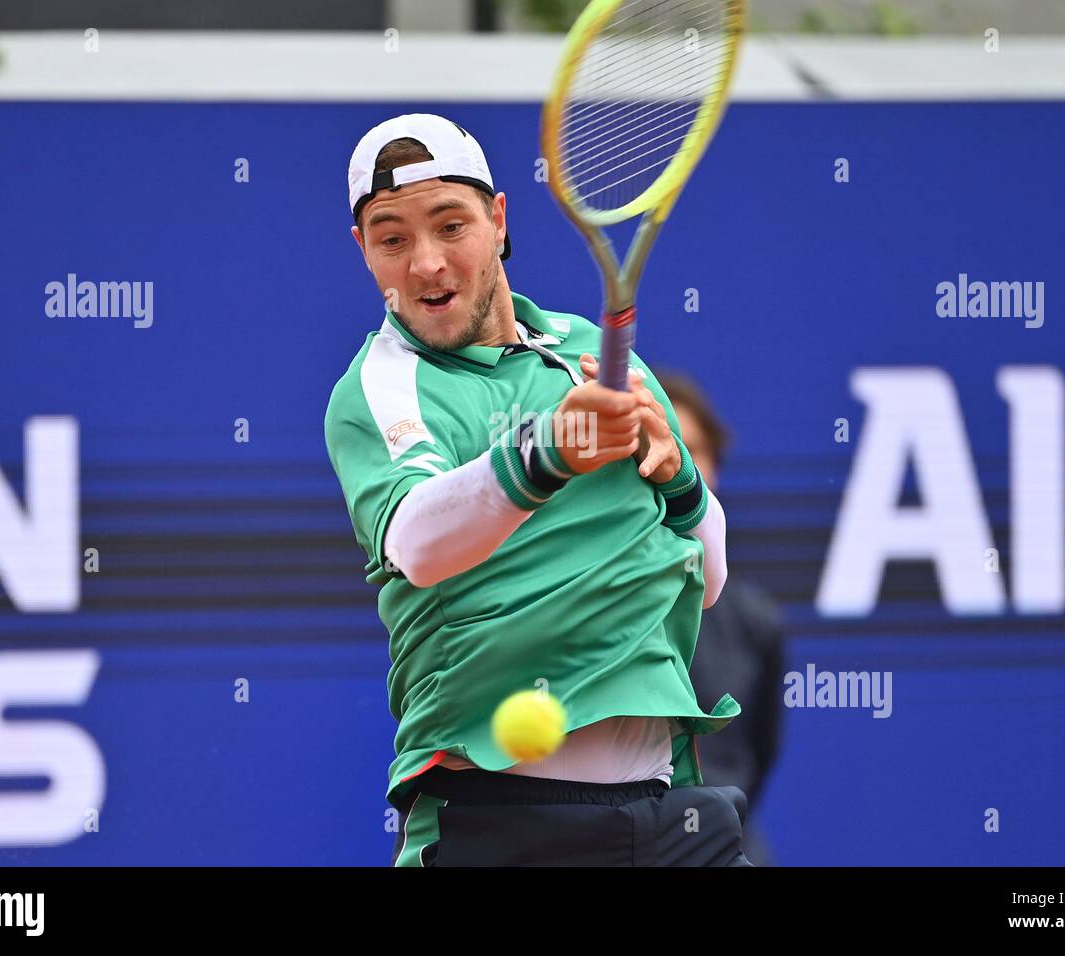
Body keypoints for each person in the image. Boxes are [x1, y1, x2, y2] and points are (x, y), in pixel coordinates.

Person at [324, 113, 752, 866]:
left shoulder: (593, 355)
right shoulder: (380, 387)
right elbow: (419, 543)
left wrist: (680, 477)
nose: (425, 263)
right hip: (497, 826)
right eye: (392, 238)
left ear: (497, 221)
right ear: (364, 254)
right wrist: (548, 450)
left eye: (450, 226)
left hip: (669, 818)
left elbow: (710, 579)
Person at [656, 372, 787, 866]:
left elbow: (761, 751)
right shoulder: (581, 599)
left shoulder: (756, 621)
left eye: (691, 450)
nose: (673, 465)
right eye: (662, 445)